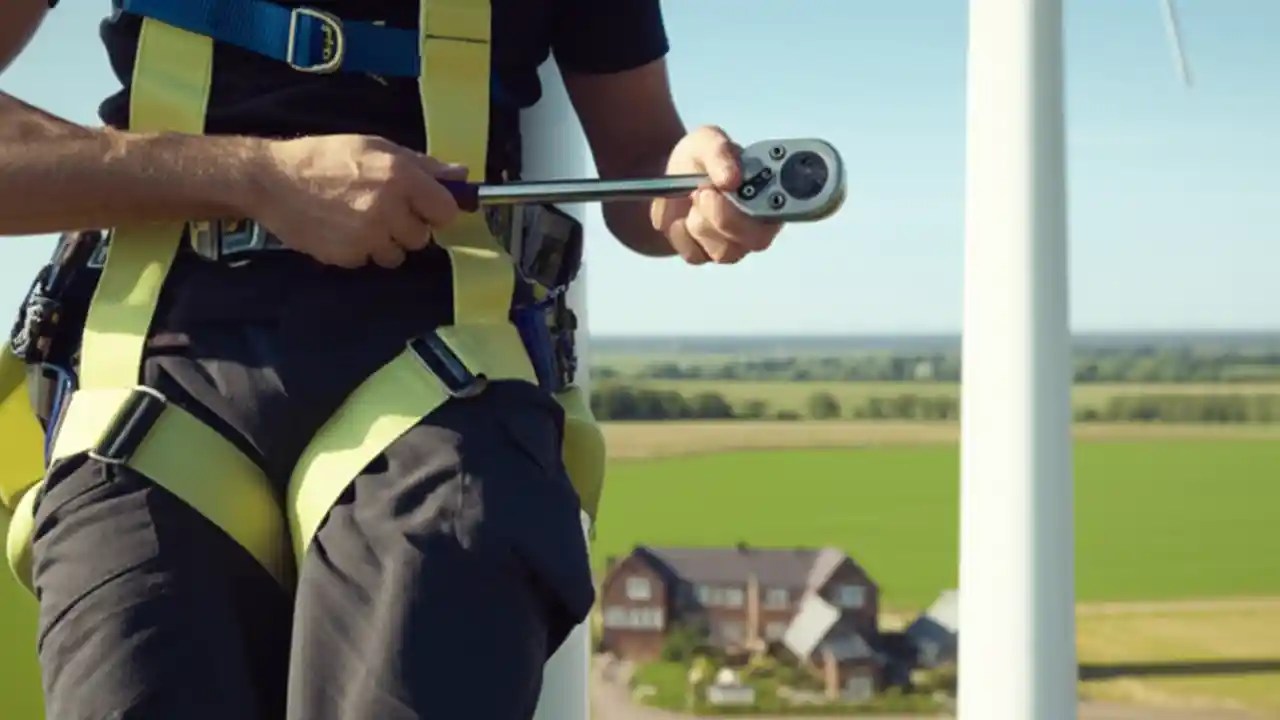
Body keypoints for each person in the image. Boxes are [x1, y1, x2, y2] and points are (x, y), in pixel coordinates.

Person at [0, 0, 783, 718]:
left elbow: (640, 158)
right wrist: (256, 178)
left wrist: (685, 186)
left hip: (446, 370)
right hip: (155, 383)